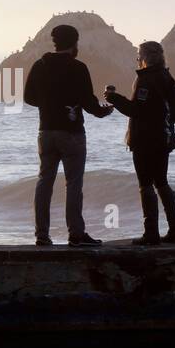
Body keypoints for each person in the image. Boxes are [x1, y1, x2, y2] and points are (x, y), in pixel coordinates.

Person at [22, 23, 113, 246]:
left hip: (45, 131)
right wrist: (105, 111)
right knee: (73, 184)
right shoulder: (78, 67)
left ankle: (41, 235)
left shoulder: (39, 65)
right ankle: (76, 234)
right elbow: (88, 101)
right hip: (71, 132)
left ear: (54, 42)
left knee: (44, 182)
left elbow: (28, 98)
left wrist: (48, 105)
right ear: (75, 43)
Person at [104, 41, 175, 246]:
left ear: (144, 58)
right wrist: (171, 120)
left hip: (144, 139)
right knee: (161, 182)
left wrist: (114, 98)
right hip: (164, 138)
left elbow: (136, 110)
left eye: (138, 56)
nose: (137, 59)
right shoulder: (166, 76)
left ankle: (151, 233)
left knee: (145, 184)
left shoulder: (145, 79)